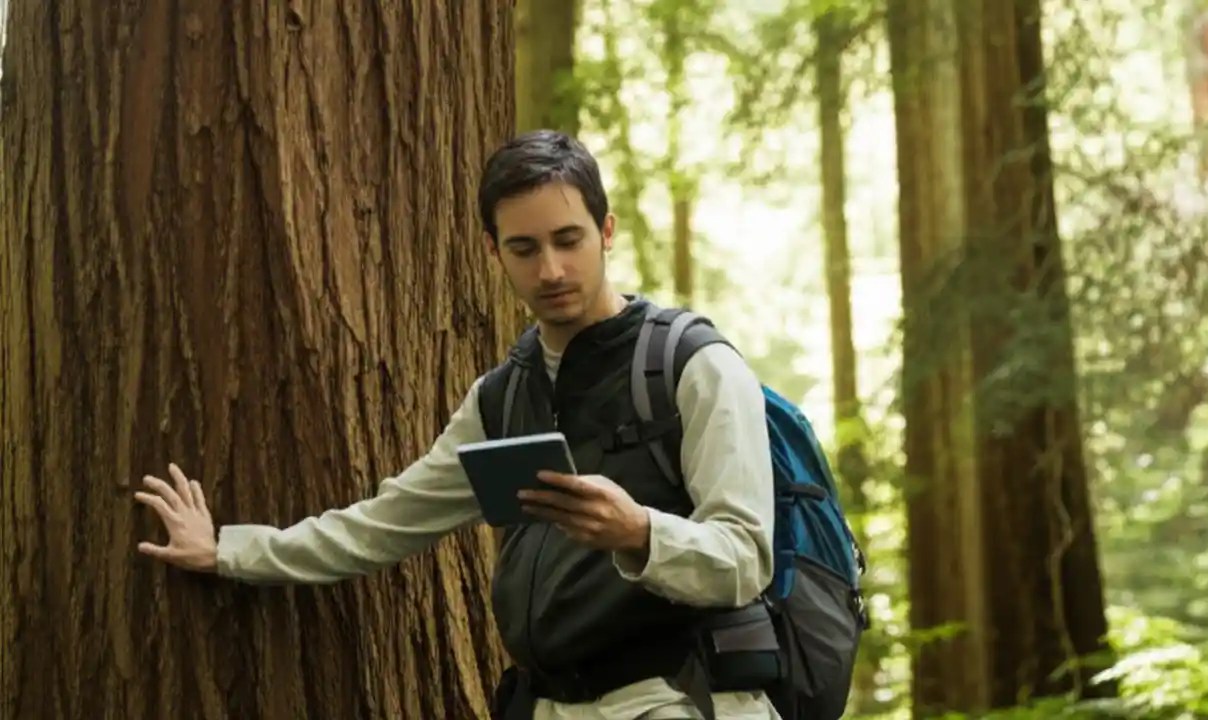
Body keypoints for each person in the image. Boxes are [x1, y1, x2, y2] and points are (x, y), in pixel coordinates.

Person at [135, 130, 781, 720]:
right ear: (492, 252)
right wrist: (226, 550)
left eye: (568, 240)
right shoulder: (503, 397)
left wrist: (639, 532)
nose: (550, 270)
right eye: (524, 249)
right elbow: (385, 523)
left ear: (606, 231)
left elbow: (746, 557)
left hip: (683, 701)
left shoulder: (693, 367)